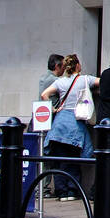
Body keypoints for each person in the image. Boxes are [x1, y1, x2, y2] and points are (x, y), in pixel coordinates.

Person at [41, 54, 98, 200]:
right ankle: (72, 190)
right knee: (73, 160)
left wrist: (54, 109)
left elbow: (44, 94)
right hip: (75, 125)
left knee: (59, 161)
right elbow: (102, 82)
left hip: (59, 125)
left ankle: (61, 192)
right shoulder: (85, 79)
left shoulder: (61, 82)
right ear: (77, 65)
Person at [39, 54, 66, 196]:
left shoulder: (43, 77)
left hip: (38, 121)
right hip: (49, 121)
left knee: (42, 155)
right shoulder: (55, 81)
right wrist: (54, 109)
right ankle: (43, 188)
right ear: (57, 66)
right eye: (63, 66)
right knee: (47, 156)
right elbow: (45, 96)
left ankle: (41, 187)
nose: (65, 70)